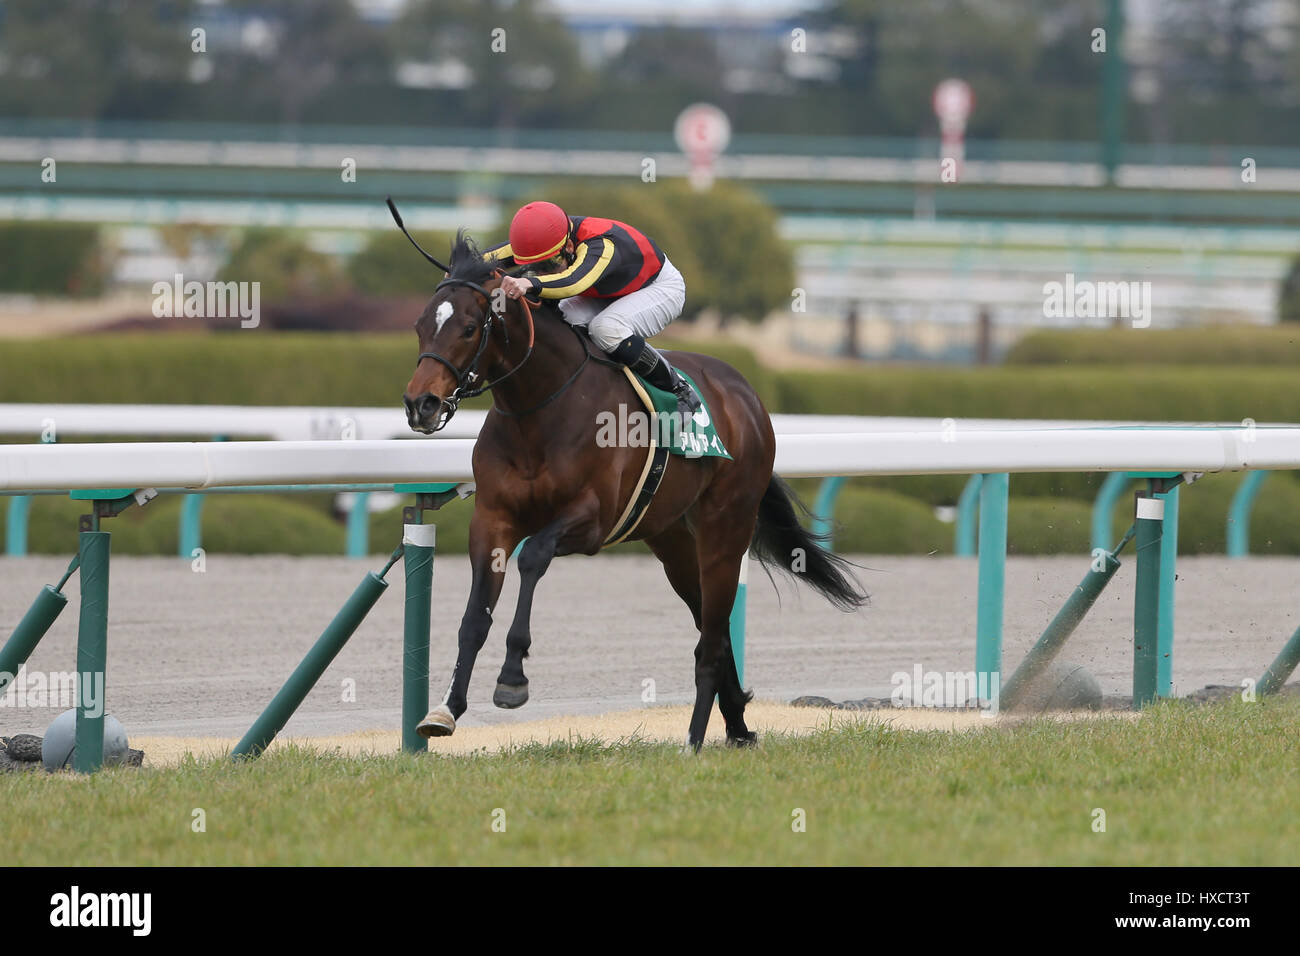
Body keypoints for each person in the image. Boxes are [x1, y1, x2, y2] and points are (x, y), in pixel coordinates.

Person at [486, 200, 701, 416]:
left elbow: (574, 283)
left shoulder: (602, 245)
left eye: (548, 264)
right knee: (563, 317)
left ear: (569, 247)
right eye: (534, 265)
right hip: (605, 288)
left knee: (606, 328)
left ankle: (678, 388)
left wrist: (531, 282)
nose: (541, 272)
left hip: (657, 287)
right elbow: (482, 258)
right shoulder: (548, 239)